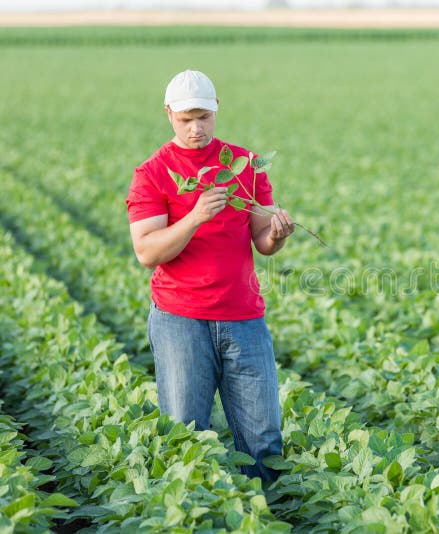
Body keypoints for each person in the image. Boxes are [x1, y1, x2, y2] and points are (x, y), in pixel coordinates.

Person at [125, 69, 293, 483]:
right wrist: (196, 216)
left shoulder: (244, 165)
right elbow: (147, 251)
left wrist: (277, 234)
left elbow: (263, 241)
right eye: (185, 119)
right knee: (186, 435)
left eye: (203, 116)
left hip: (244, 318)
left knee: (264, 440)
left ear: (217, 110)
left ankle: (266, 520)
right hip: (180, 320)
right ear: (168, 115)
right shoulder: (153, 173)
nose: (196, 128)